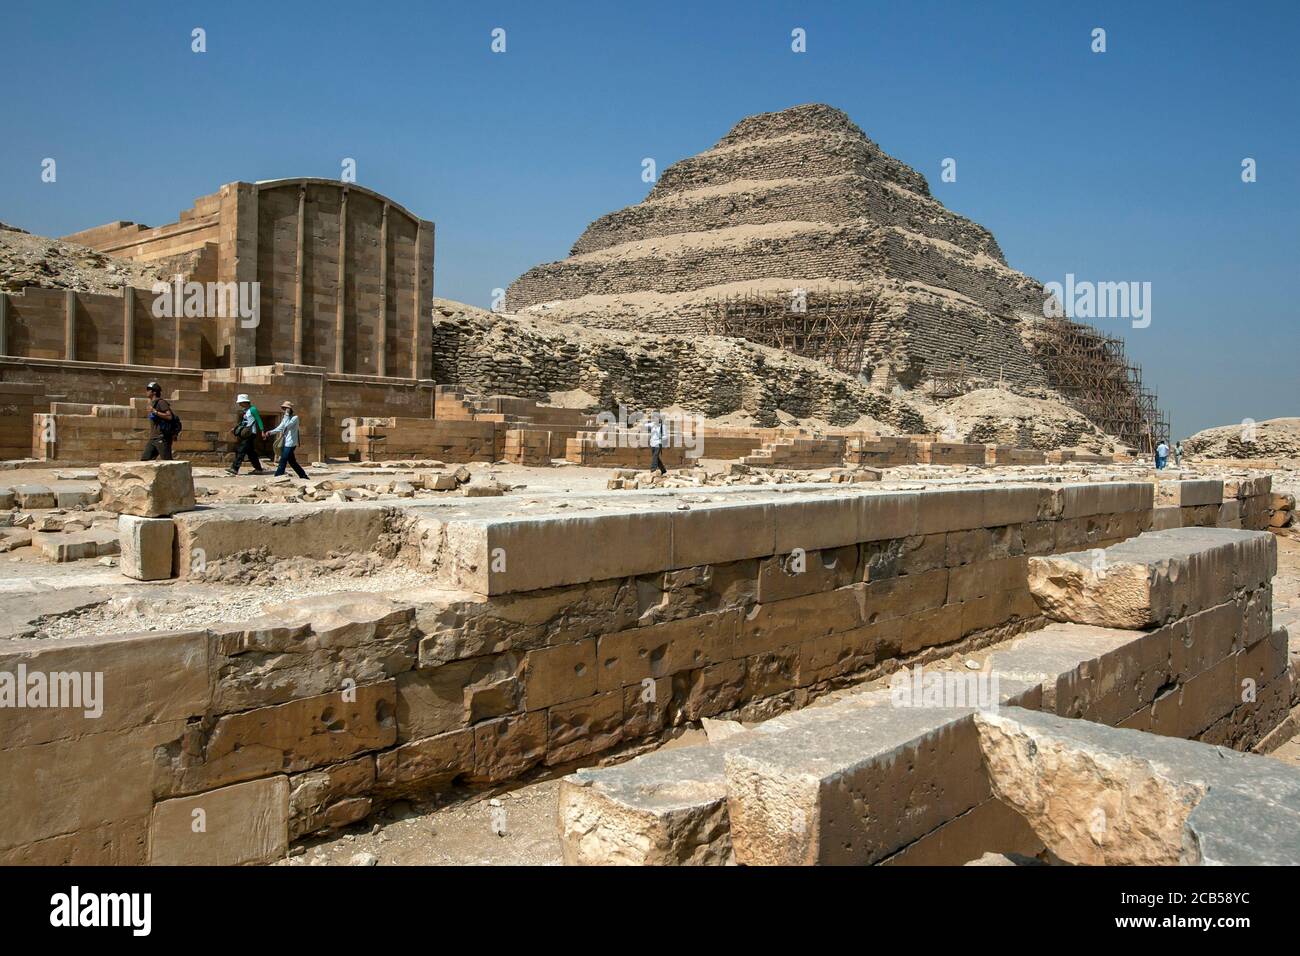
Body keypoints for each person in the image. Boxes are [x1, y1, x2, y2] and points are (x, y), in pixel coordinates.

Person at [265, 400, 308, 478]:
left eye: (286, 408)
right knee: (292, 462)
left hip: (291, 443)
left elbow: (287, 426)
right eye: (284, 408)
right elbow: (280, 427)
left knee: (283, 460)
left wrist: (287, 415)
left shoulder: (295, 418)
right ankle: (303, 476)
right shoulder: (286, 418)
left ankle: (278, 476)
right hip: (286, 442)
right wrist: (270, 432)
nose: (285, 410)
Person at [228, 393, 266, 475]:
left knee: (241, 450)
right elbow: (243, 422)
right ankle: (258, 469)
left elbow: (259, 420)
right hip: (246, 433)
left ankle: (234, 468)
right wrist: (234, 429)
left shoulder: (253, 409)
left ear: (245, 402)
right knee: (251, 452)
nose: (239, 404)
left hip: (250, 433)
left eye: (240, 403)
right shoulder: (246, 410)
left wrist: (262, 431)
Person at [140, 381, 176, 461]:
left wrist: (155, 412)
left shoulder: (161, 402)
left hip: (162, 438)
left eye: (148, 390)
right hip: (153, 438)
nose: (146, 391)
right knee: (145, 460)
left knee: (167, 461)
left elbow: (169, 416)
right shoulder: (152, 403)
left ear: (154, 392)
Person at [647, 411, 668, 476]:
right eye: (653, 418)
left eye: (656, 418)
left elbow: (665, 436)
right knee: (656, 457)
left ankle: (653, 469)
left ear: (659, 418)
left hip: (658, 443)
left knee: (655, 456)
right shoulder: (652, 424)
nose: (654, 419)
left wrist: (661, 438)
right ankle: (663, 470)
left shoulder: (662, 426)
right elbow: (644, 425)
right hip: (652, 443)